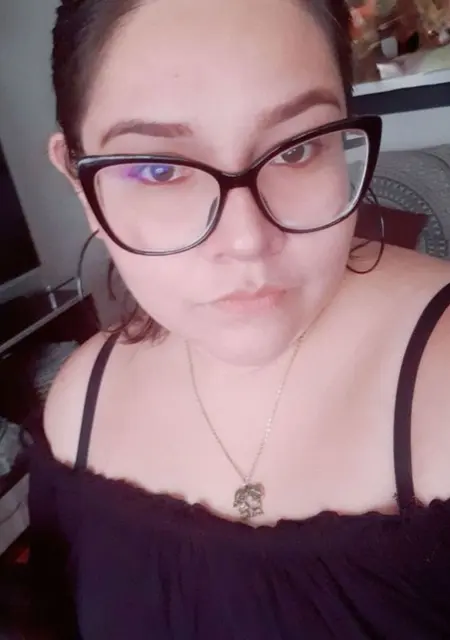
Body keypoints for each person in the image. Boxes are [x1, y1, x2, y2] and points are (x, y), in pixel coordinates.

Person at [26, 0, 450, 637]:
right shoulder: (75, 409)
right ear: (79, 181)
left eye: (296, 150)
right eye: (159, 169)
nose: (248, 240)